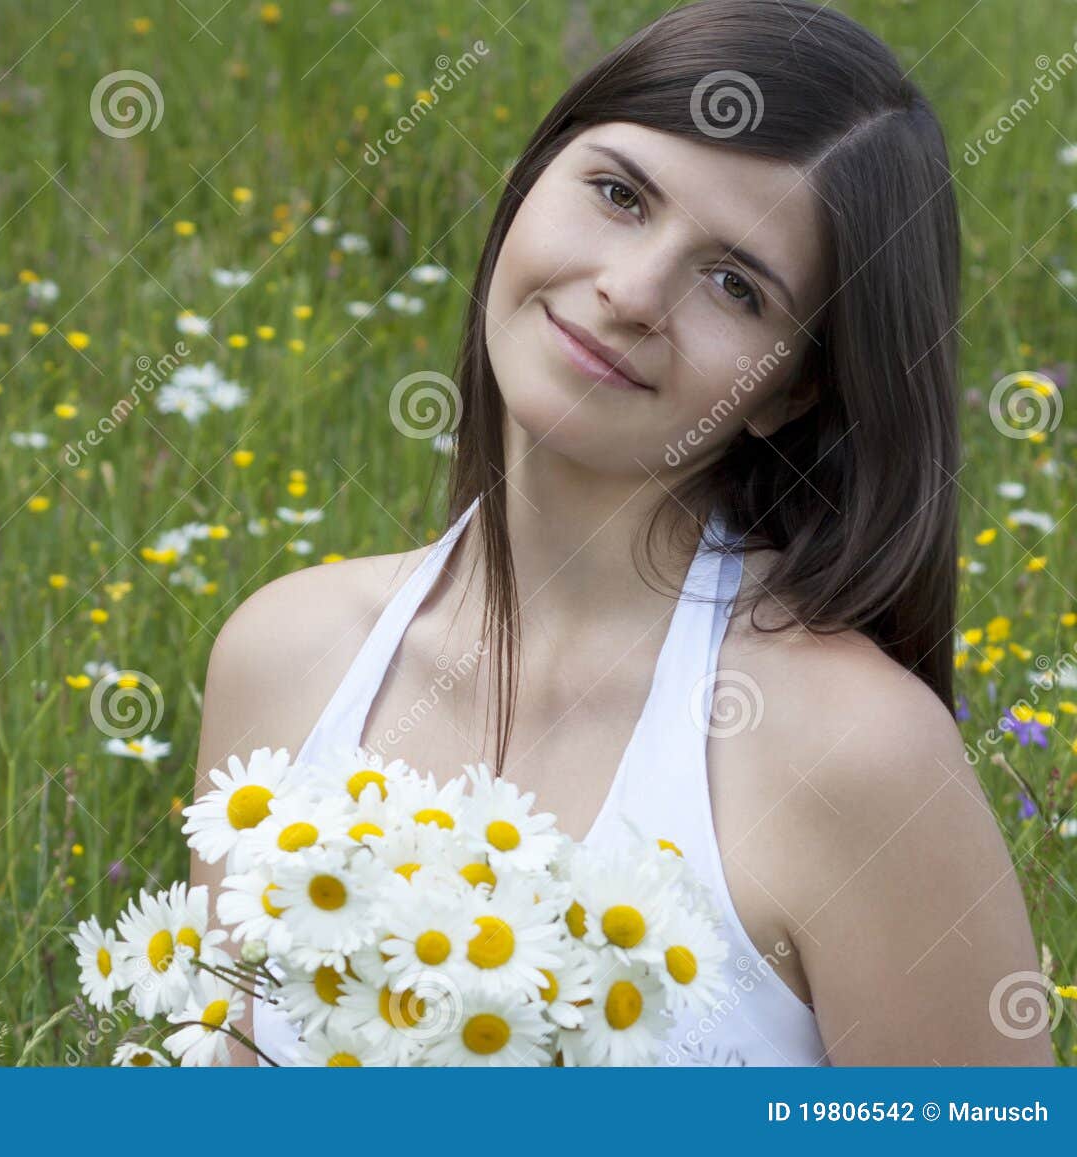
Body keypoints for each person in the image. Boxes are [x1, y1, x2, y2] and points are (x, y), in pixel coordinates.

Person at [191, 0, 1053, 1065]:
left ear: (795, 388)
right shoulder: (285, 656)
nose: (632, 291)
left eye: (735, 285)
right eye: (618, 194)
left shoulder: (852, 754)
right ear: (528, 180)